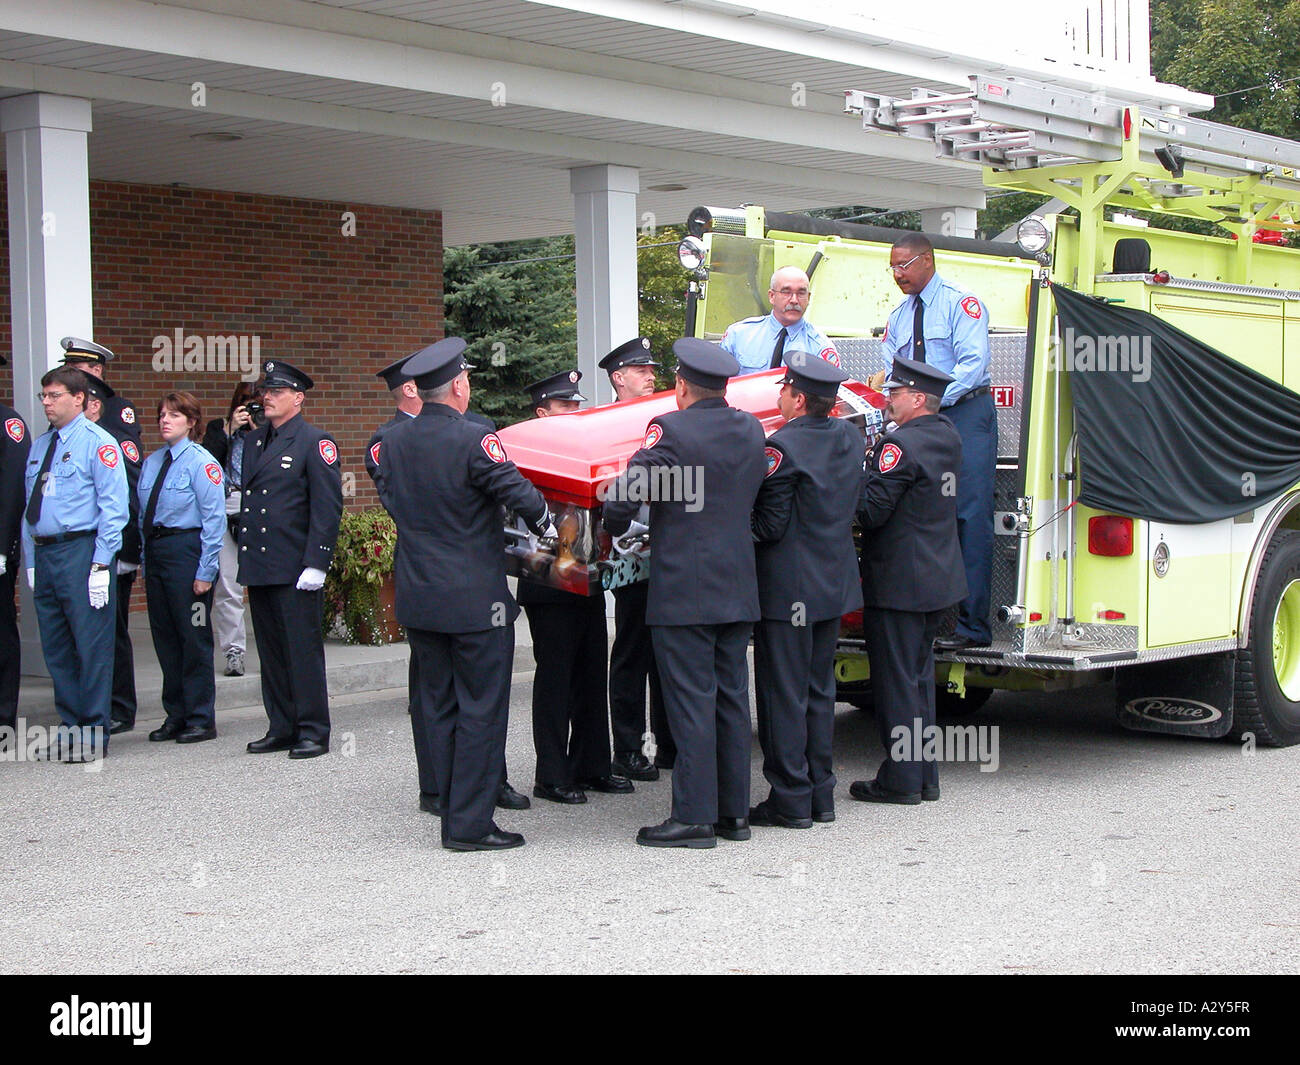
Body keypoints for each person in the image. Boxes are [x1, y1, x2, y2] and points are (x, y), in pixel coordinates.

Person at [377, 337, 553, 851]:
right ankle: (470, 825)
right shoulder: (475, 437)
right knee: (481, 709)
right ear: (458, 384)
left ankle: (450, 808)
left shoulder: (392, 442)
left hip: (420, 594)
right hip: (476, 600)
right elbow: (519, 494)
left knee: (438, 706)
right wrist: (546, 523)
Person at [604, 338, 766, 849]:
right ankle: (732, 814)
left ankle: (694, 818)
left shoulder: (669, 430)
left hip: (685, 589)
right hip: (737, 584)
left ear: (681, 387)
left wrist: (612, 521)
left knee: (692, 702)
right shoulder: (750, 427)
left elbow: (625, 495)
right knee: (731, 701)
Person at [750, 354, 865, 828]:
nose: (778, 397)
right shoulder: (848, 436)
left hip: (788, 589)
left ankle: (790, 797)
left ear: (798, 399)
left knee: (783, 694)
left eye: (783, 390)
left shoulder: (781, 446)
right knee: (820, 691)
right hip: (831, 585)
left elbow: (771, 526)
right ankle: (821, 792)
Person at [852, 356, 966, 804]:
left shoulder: (898, 446)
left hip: (900, 582)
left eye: (895, 393)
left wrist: (852, 482)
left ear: (918, 399)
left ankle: (900, 780)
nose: (888, 398)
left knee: (897, 682)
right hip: (937, 578)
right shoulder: (947, 436)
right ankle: (923, 775)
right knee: (918, 680)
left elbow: (871, 511)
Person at [517, 370, 631, 804]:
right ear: (542, 412)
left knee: (589, 672)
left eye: (577, 405)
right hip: (548, 582)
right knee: (555, 678)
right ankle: (552, 773)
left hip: (586, 575)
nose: (574, 412)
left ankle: (592, 764)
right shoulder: (526, 454)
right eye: (565, 406)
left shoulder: (583, 452)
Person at [880, 233, 995, 651]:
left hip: (963, 411)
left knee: (968, 512)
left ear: (927, 260)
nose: (897, 275)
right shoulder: (897, 316)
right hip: (919, 418)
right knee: (919, 511)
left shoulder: (961, 304)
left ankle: (973, 627)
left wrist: (926, 403)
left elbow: (973, 363)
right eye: (892, 267)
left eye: (904, 265)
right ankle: (930, 619)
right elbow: (891, 368)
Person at [237, 359, 342, 760]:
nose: (267, 397)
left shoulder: (314, 441)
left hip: (295, 565)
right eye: (265, 391)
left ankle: (313, 729)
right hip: (262, 563)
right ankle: (281, 725)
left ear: (297, 398)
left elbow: (326, 507)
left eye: (277, 392)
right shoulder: (253, 441)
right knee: (273, 652)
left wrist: (317, 561)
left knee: (301, 651)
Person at [23, 366, 129, 761]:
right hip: (47, 553)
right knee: (58, 648)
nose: (47, 403)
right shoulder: (39, 446)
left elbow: (114, 510)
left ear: (79, 399)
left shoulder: (98, 443)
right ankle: (69, 727)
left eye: (54, 396)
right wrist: (32, 559)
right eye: (44, 397)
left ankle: (92, 732)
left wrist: (102, 564)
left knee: (90, 646)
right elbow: (29, 509)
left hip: (81, 552)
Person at [598, 336, 673, 780]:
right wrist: (627, 533)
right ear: (618, 378)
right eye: (641, 371)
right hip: (628, 549)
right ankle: (627, 748)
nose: (651, 377)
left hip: (666, 551)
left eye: (652, 370)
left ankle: (670, 744)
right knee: (630, 651)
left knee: (669, 651)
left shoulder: (663, 419)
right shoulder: (603, 425)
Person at [60, 338, 142, 735]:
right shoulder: (66, 418)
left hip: (110, 545)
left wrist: (127, 548)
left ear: (96, 373)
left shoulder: (114, 411)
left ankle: (120, 707)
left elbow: (125, 483)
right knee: (81, 632)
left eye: (81, 369)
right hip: (76, 546)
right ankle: (89, 705)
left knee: (113, 629)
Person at [139, 392, 226, 743]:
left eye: (174, 415)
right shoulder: (152, 462)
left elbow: (214, 520)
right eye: (162, 414)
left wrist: (205, 572)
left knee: (193, 635)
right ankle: (175, 713)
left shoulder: (201, 463)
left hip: (187, 553)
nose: (165, 420)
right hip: (159, 553)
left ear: (191, 422)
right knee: (166, 638)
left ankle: (200, 717)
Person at [202, 381, 262, 677]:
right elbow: (206, 462)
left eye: (256, 403)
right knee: (228, 586)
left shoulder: (267, 432)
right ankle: (234, 651)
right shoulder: (219, 428)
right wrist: (229, 429)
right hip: (226, 506)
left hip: (258, 510)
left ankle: (270, 649)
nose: (250, 409)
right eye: (245, 403)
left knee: (265, 585)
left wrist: (256, 430)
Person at [719, 266, 839, 376]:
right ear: (772, 296)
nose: (794, 300)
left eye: (801, 293)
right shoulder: (739, 335)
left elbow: (828, 397)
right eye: (786, 292)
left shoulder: (819, 347)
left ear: (808, 298)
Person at [0, 373, 30, 744]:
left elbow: (11, 488)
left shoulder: (8, 423)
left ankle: (3, 717)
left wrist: (3, 545)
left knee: (2, 633)